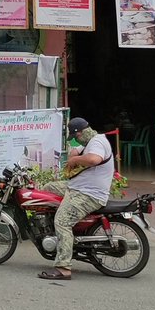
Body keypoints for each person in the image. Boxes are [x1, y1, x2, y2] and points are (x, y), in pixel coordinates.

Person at [38, 117, 114, 281]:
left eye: (76, 136)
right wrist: (74, 154)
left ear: (81, 132)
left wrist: (75, 160)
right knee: (47, 188)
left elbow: (94, 159)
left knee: (62, 221)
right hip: (77, 187)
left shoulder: (97, 142)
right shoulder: (89, 141)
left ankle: (63, 268)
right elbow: (75, 150)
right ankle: (51, 232)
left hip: (89, 194)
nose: (76, 140)